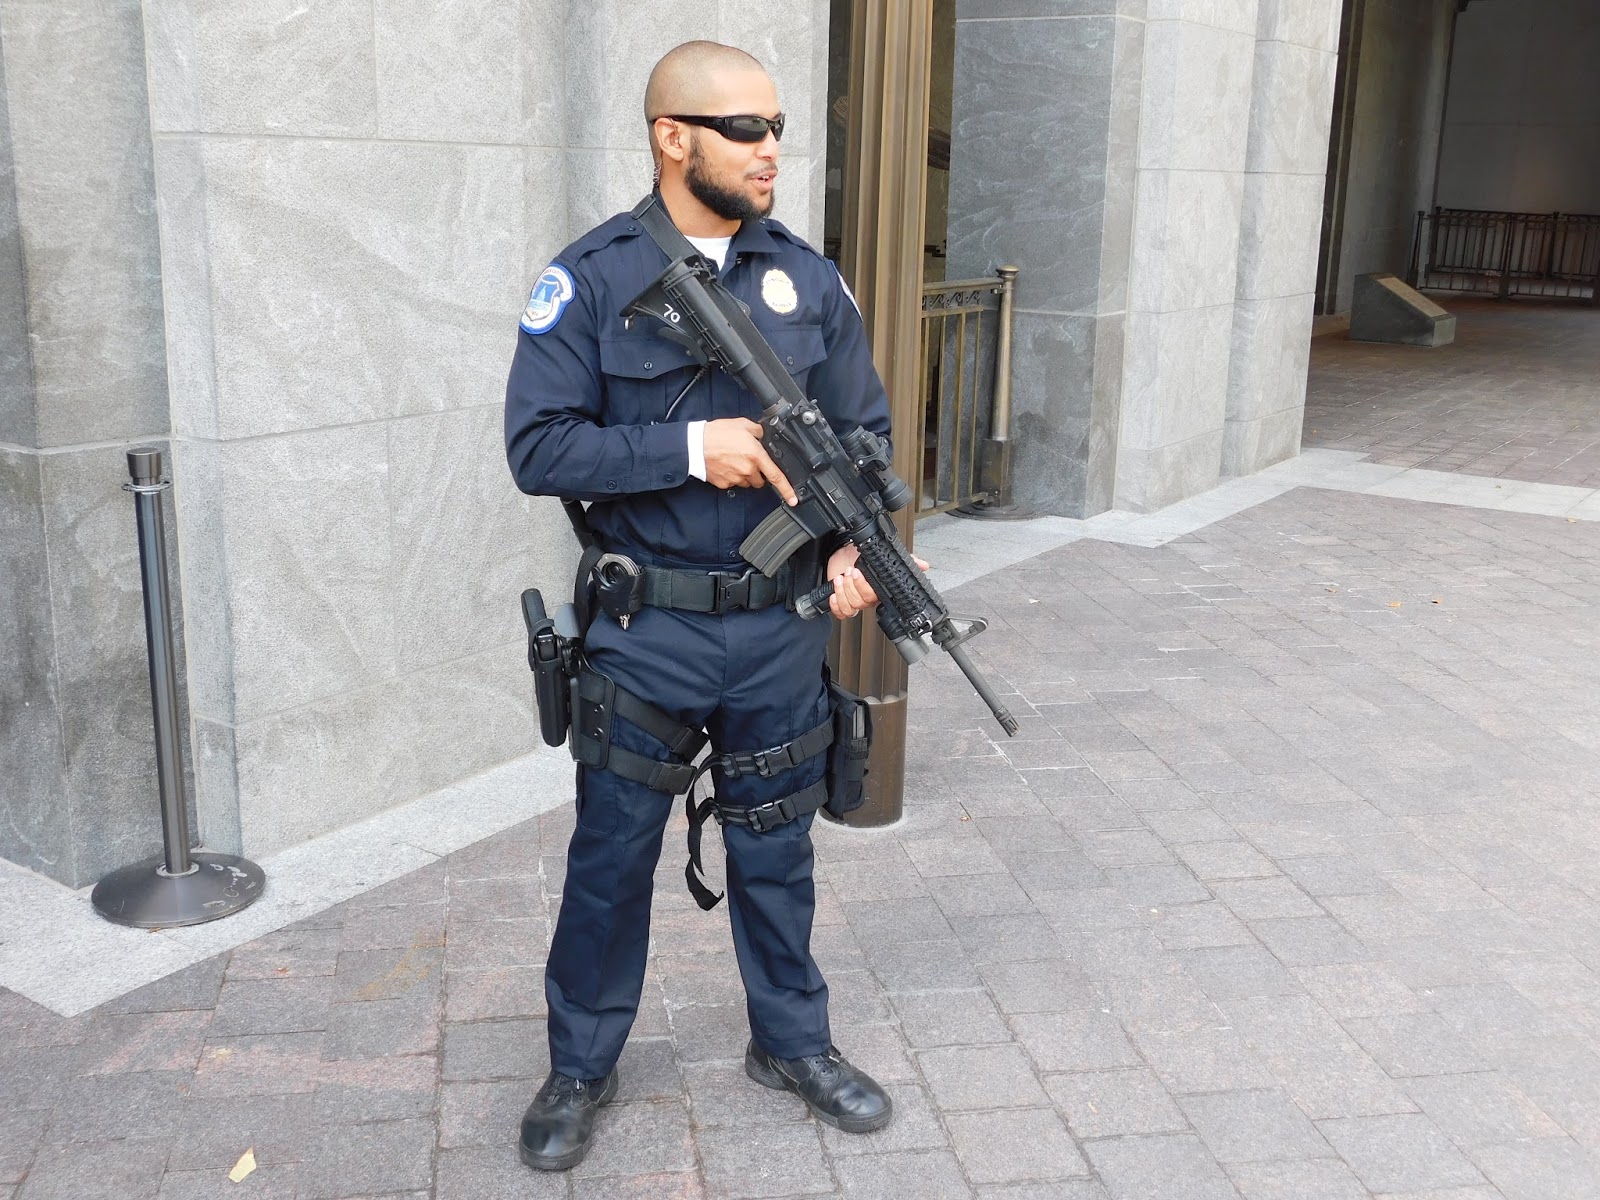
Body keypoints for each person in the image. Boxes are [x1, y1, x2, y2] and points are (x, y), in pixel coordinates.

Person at [503, 40, 895, 1172]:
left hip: (782, 626)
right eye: (745, 129)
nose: (772, 149)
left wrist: (857, 549)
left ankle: (793, 1042)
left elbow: (860, 436)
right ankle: (580, 1065)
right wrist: (692, 447)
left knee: (780, 845)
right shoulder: (591, 278)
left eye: (777, 128)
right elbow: (537, 445)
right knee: (611, 855)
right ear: (673, 136)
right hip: (649, 630)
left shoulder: (808, 278)